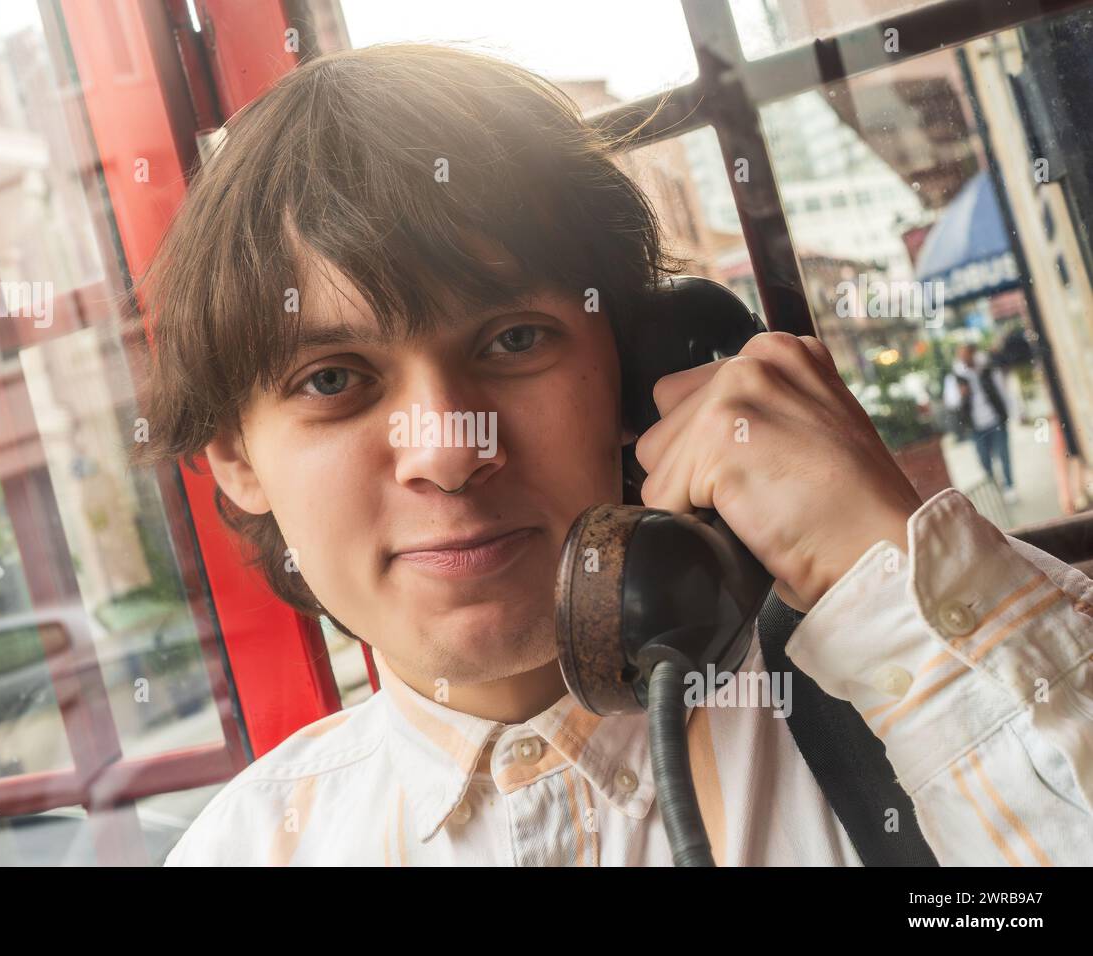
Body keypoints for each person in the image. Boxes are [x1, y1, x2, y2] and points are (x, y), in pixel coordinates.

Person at [140, 44, 1093, 865]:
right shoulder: (243, 851)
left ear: (638, 370)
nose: (449, 455)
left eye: (513, 341)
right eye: (334, 381)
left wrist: (892, 591)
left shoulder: (947, 676)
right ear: (235, 457)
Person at [943, 341, 1019, 505]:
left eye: (968, 355)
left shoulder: (988, 370)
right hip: (976, 426)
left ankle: (1009, 487)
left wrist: (1015, 412)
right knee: (984, 459)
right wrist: (961, 394)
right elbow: (951, 402)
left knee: (1004, 454)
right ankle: (994, 486)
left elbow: (1003, 391)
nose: (966, 359)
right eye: (962, 356)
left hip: (996, 420)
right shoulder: (955, 378)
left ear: (974, 355)